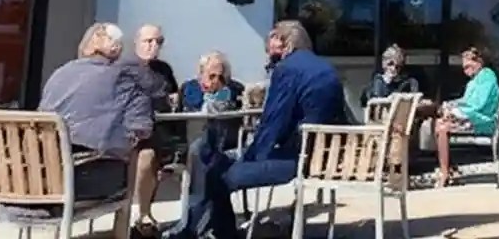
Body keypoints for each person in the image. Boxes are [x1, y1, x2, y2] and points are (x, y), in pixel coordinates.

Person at [166, 21, 344, 239]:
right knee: (215, 161)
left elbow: (273, 123)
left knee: (216, 173)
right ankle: (210, 232)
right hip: (325, 158)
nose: (270, 56)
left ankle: (212, 233)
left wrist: (250, 158)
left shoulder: (288, 69)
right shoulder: (327, 69)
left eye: (271, 49)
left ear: (284, 43)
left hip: (297, 159)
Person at [37, 23, 151, 202]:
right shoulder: (124, 81)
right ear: (117, 49)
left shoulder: (58, 74)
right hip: (81, 180)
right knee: (137, 155)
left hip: (39, 177)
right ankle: (135, 218)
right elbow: (140, 129)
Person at [119, 25, 181, 237]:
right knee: (146, 156)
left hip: (161, 130)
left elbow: (173, 96)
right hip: (131, 132)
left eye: (158, 41)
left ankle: (144, 216)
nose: (153, 46)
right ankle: (141, 215)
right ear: (136, 42)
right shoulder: (124, 68)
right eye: (148, 41)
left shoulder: (164, 70)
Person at [433, 47, 499, 188]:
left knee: (442, 128)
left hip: (484, 120)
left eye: (469, 66)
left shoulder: (487, 79)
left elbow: (478, 105)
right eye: (464, 68)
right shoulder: (474, 81)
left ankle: (445, 173)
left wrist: (456, 111)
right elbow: (466, 100)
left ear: (479, 62)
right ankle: (449, 168)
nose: (466, 70)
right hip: (473, 117)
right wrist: (452, 105)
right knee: (438, 123)